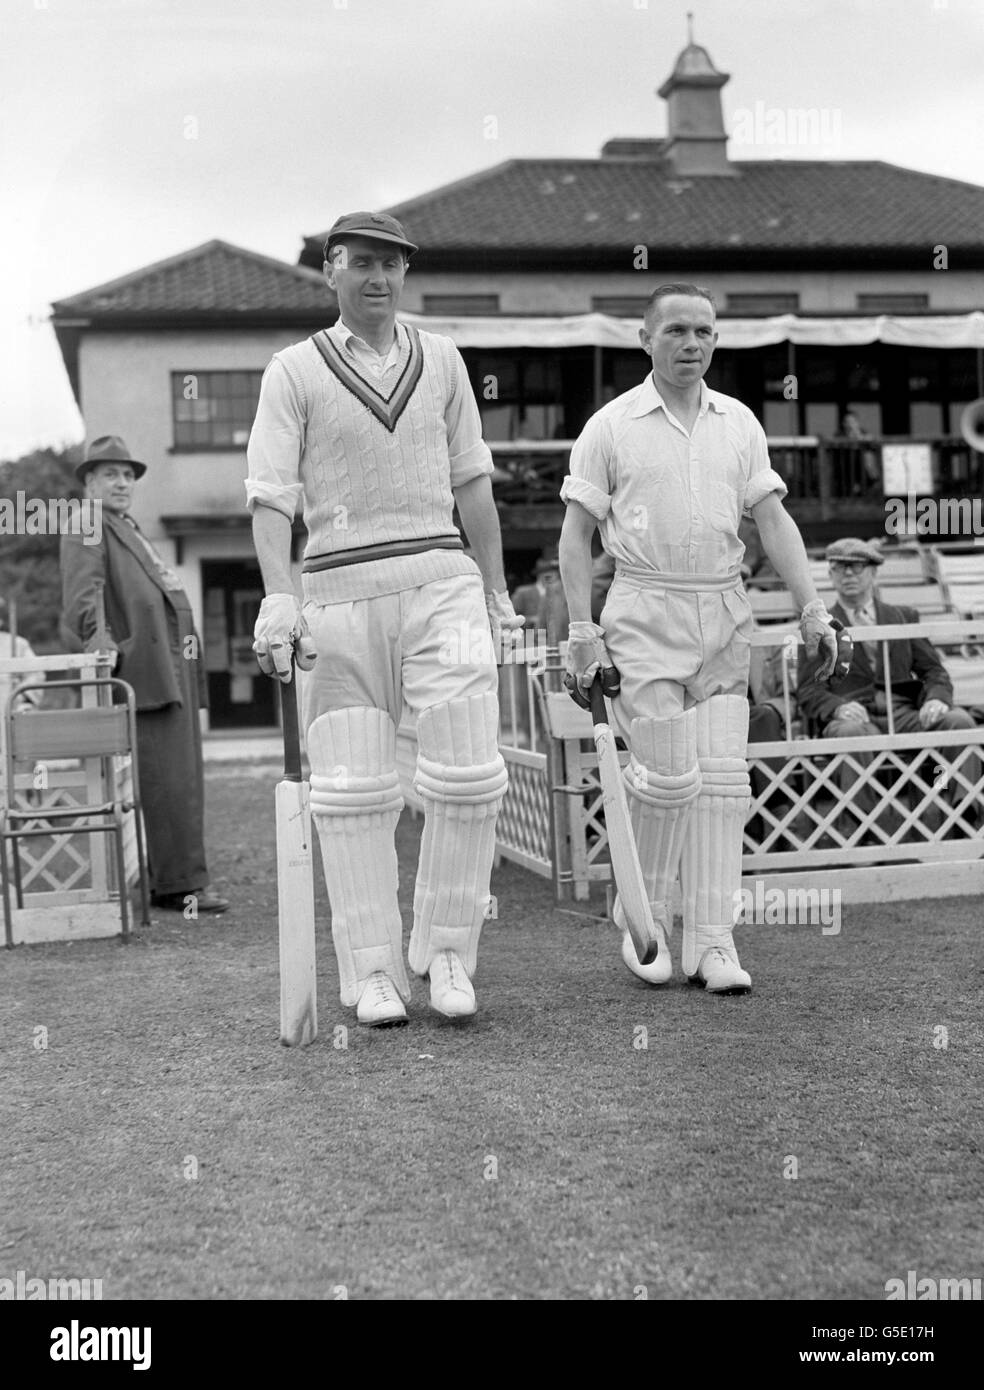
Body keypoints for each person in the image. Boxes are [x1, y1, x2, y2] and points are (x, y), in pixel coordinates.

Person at [246, 211, 522, 1028]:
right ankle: (371, 969)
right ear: (330, 270)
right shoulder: (292, 369)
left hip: (444, 578)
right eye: (361, 262)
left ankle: (446, 954)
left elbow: (474, 482)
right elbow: (271, 497)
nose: (379, 278)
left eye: (392, 265)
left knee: (473, 772)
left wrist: (498, 592)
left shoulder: (442, 359)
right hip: (335, 590)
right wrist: (278, 595)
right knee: (353, 787)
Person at [559, 283, 844, 995]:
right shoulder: (612, 425)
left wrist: (812, 609)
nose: (692, 344)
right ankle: (646, 915)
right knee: (668, 775)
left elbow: (772, 521)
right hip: (642, 608)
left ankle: (714, 942)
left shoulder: (740, 422)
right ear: (645, 338)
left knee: (721, 784)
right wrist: (581, 630)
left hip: (723, 608)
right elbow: (575, 536)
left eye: (705, 332)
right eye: (677, 331)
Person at [59, 436, 228, 914]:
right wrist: (101, 645)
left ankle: (182, 876)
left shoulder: (123, 525)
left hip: (169, 669)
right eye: (110, 474)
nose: (122, 482)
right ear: (89, 481)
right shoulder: (88, 522)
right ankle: (179, 885)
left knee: (182, 779)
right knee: (168, 781)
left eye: (128, 475)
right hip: (143, 673)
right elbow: (83, 597)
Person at [797, 536, 980, 834]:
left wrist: (936, 699)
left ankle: (963, 814)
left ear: (874, 573)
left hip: (905, 713)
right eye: (840, 568)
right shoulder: (818, 626)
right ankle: (865, 829)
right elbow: (808, 690)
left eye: (857, 568)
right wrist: (838, 708)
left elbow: (934, 671)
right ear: (830, 575)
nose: (848, 575)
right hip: (855, 717)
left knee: (959, 721)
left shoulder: (903, 617)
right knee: (852, 733)